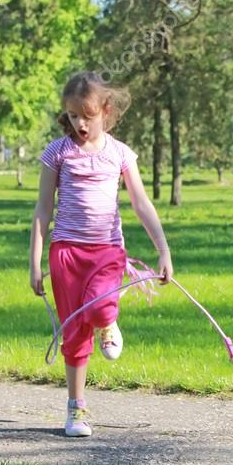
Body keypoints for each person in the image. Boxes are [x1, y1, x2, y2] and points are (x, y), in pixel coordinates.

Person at [29, 71, 173, 438]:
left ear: (105, 111)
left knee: (97, 306)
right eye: (73, 115)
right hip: (66, 254)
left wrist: (163, 251)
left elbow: (141, 203)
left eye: (87, 116)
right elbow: (43, 210)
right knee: (74, 332)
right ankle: (76, 409)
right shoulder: (57, 153)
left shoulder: (120, 153)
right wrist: (35, 263)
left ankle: (108, 320)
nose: (79, 123)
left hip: (108, 251)